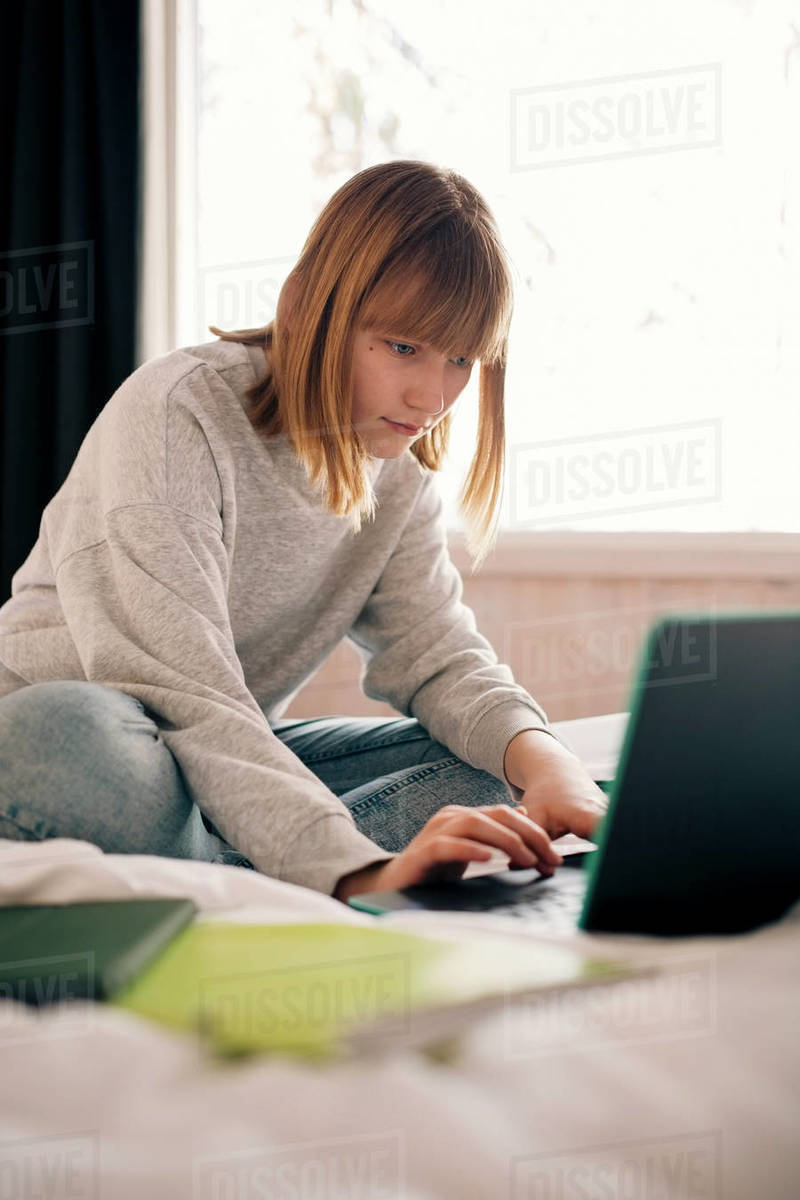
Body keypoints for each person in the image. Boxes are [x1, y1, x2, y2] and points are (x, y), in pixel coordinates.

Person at [0, 160, 607, 902]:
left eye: (460, 359)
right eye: (404, 347)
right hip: (90, 739)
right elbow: (180, 694)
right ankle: (292, 867)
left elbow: (438, 655)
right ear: (305, 307)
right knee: (66, 738)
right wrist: (356, 869)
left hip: (215, 758)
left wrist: (549, 762)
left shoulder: (398, 467)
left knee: (486, 767)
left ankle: (241, 862)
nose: (433, 395)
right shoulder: (175, 415)